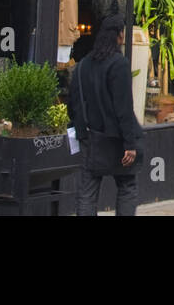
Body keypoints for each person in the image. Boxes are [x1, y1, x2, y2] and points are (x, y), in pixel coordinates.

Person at [69, 13, 143, 216]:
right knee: (127, 187)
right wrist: (130, 144)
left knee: (87, 193)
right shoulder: (118, 64)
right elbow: (124, 108)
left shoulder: (82, 65)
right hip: (116, 140)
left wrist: (80, 132)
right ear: (119, 35)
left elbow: (73, 104)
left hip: (90, 138)